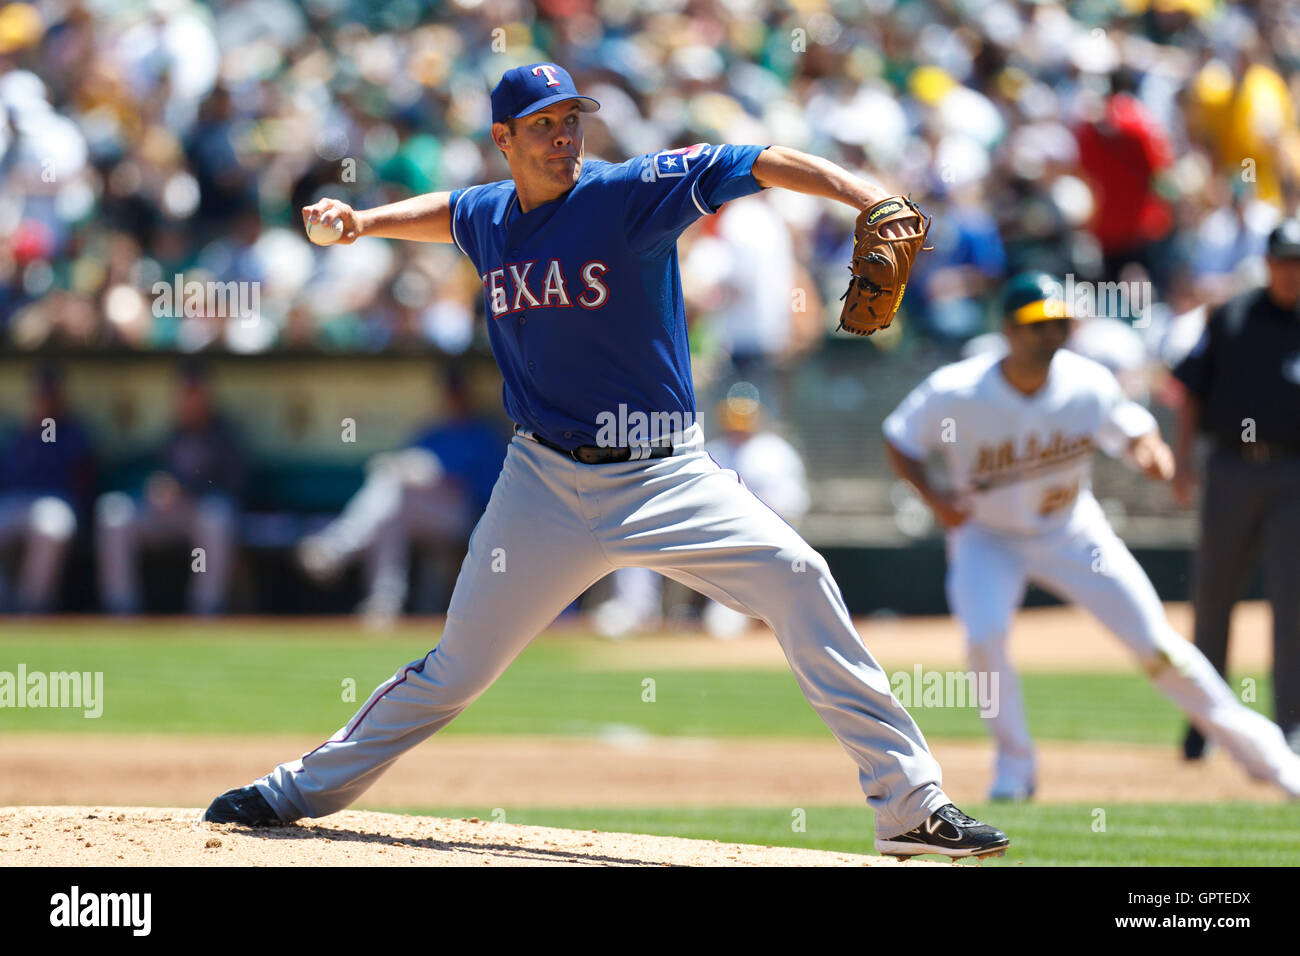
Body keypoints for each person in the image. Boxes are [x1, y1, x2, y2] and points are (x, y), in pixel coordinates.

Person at [203, 62, 1009, 860]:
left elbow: (757, 160)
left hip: (667, 476)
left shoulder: (626, 193)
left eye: (572, 120)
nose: (564, 137)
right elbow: (448, 212)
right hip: (541, 485)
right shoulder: (491, 214)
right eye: (545, 125)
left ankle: (909, 804)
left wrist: (867, 197)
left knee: (799, 578)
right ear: (504, 139)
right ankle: (291, 792)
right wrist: (365, 223)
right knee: (456, 670)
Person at [882, 271, 1300, 802]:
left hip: (1071, 531)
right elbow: (899, 437)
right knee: (984, 640)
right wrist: (936, 499)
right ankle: (1014, 770)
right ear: (1008, 331)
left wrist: (1150, 451)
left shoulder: (1086, 381)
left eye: (1059, 323)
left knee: (1159, 648)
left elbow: (1133, 430)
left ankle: (1272, 760)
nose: (1050, 334)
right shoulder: (959, 390)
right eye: (1037, 325)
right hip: (988, 536)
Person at [1171, 219, 1300, 760]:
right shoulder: (1234, 316)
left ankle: (1290, 726)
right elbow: (1191, 392)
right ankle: (1205, 722)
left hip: (1294, 475)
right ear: (1268, 263)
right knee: (1214, 596)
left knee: (1293, 601)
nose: (1293, 272)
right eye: (1286, 261)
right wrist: (1182, 464)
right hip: (1231, 469)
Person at [590, 384, 810, 639]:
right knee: (637, 532)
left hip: (756, 529)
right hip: (709, 525)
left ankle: (733, 610)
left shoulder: (775, 451)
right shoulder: (714, 448)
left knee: (729, 584)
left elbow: (789, 504)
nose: (738, 423)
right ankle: (635, 608)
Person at [297, 365, 508, 625]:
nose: (453, 397)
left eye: (458, 392)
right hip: (420, 510)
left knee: (396, 490)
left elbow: (486, 490)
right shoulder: (433, 432)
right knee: (392, 511)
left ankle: (337, 547)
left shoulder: (482, 434)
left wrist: (427, 476)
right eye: (450, 392)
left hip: (465, 516)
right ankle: (383, 606)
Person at [96, 363, 245, 615]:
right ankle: (120, 607)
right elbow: (151, 470)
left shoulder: (223, 436)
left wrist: (187, 491)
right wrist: (155, 486)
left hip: (197, 515)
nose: (190, 399)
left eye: (195, 392)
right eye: (185, 393)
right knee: (113, 512)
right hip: (163, 514)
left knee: (216, 516)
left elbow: (235, 486)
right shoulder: (174, 434)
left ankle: (206, 608)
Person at [0, 365, 95, 613]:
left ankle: (30, 608)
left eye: (49, 394)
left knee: (51, 526)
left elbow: (83, 484)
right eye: (39, 394)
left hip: (55, 502)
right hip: (15, 503)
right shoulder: (19, 434)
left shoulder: (73, 434)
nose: (44, 400)